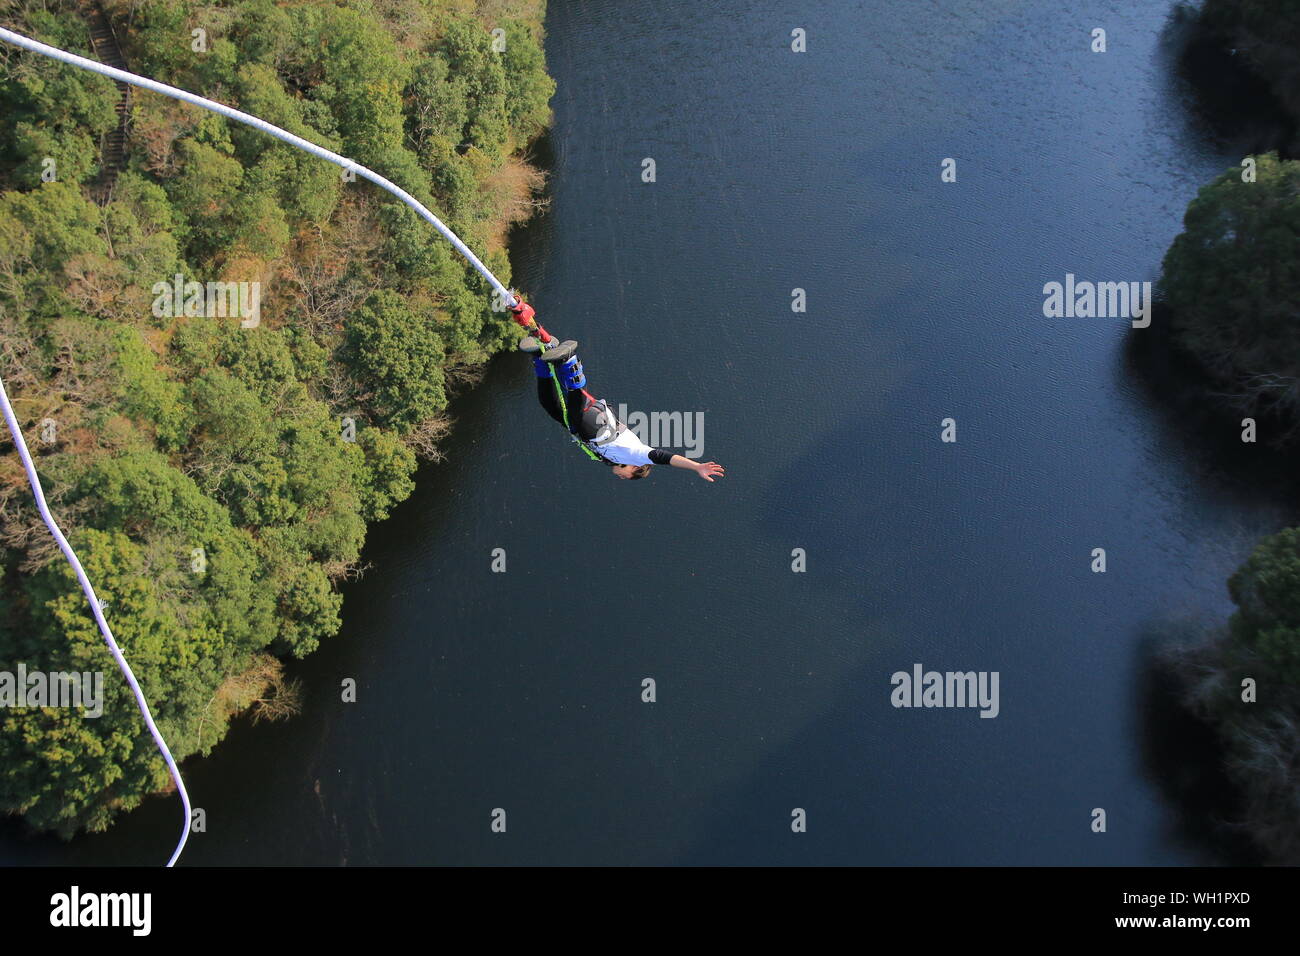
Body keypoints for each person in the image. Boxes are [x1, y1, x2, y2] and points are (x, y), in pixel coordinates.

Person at [513, 303, 725, 482]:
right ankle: (570, 363)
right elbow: (663, 457)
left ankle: (539, 355)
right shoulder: (637, 455)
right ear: (634, 468)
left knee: (551, 407)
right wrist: (696, 466)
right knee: (574, 418)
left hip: (596, 424)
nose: (621, 477)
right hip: (596, 427)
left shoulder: (613, 458)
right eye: (626, 476)